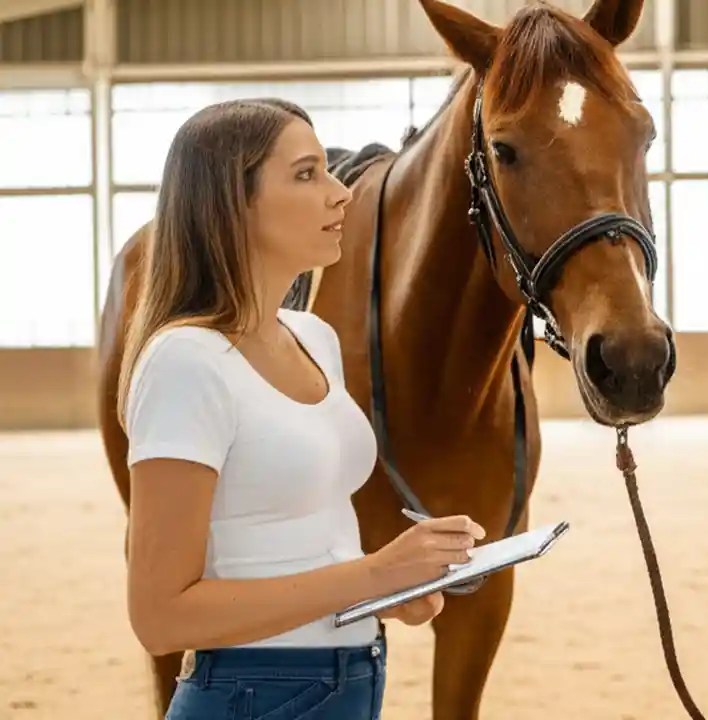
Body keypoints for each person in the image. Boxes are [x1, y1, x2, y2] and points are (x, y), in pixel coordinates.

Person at [117, 98, 485, 719]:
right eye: (308, 174)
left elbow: (307, 543)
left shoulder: (312, 337)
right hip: (252, 694)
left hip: (352, 680)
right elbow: (159, 616)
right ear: (233, 204)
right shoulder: (185, 363)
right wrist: (372, 575)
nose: (341, 194)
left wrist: (394, 588)